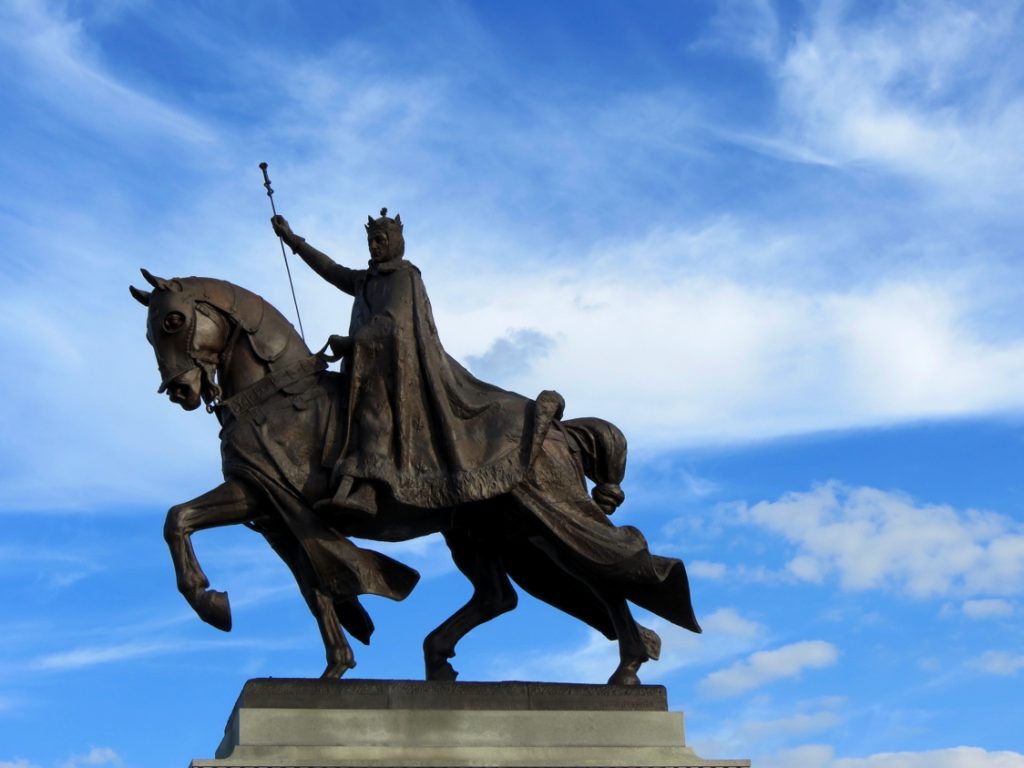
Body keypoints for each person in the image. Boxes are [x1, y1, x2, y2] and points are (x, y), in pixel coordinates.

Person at [271, 209, 564, 515]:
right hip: (366, 362)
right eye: (371, 241)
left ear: (395, 241)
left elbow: (393, 321)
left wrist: (352, 342)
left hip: (399, 367)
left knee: (375, 406)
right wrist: (292, 239)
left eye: (380, 240)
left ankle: (370, 488)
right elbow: (331, 269)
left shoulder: (404, 275)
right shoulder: (365, 279)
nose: (374, 246)